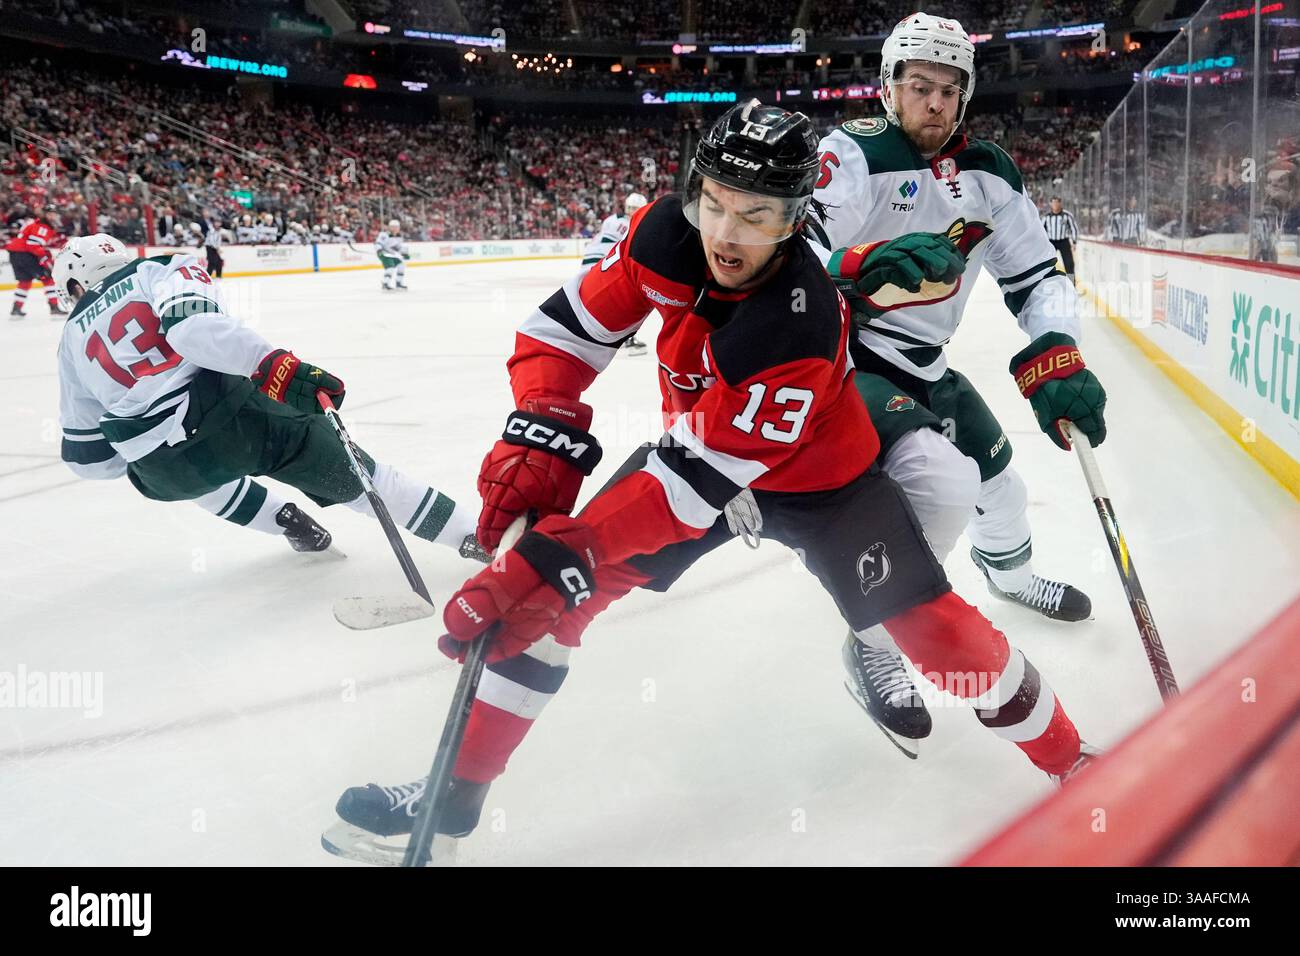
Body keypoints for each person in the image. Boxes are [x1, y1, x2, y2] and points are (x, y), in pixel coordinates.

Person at [324, 102, 1096, 866]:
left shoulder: (796, 320)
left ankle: (1073, 762)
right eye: (714, 203)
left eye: (756, 214)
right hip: (697, 451)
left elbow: (691, 484)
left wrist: (577, 547)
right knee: (543, 604)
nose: (726, 233)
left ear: (797, 219)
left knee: (935, 631)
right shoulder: (662, 232)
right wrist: (546, 418)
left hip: (819, 486)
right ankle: (452, 797)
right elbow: (564, 331)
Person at [805, 13, 1108, 750]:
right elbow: (793, 257)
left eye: (949, 89)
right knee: (933, 493)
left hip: (927, 363)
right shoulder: (852, 155)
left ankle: (1007, 577)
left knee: (998, 478)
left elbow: (1037, 274)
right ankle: (872, 644)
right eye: (919, 86)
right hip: (849, 360)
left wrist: (1057, 347)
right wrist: (854, 265)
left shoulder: (990, 172)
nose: (934, 103)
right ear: (889, 88)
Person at [52, 234, 489, 569]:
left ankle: (288, 522)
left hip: (164, 473)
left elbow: (89, 460)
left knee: (199, 474)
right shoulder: (157, 269)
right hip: (244, 421)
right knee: (363, 480)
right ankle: (472, 538)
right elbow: (193, 333)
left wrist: (152, 448)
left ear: (75, 283)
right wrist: (276, 368)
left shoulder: (69, 339)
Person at [580, 192, 650, 355]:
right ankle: (626, 340)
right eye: (633, 208)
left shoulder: (613, 220)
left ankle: (597, 337)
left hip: (596, 261)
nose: (633, 211)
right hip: (601, 262)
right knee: (627, 301)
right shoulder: (628, 224)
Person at [6, 207, 64, 318]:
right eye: (50, 214)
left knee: (25, 281)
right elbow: (33, 245)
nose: (52, 216)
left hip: (15, 253)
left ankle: (16, 309)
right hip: (25, 254)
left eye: (54, 214)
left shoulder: (35, 224)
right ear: (45, 214)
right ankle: (54, 307)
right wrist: (44, 259)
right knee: (47, 278)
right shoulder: (42, 227)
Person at [1041, 196, 1079, 281]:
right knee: (1047, 264)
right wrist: (1042, 244)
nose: (1055, 204)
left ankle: (1071, 285)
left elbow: (1074, 228)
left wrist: (1074, 242)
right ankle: (1046, 284)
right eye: (1053, 202)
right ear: (1050, 204)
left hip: (1064, 242)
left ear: (1060, 203)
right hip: (1051, 242)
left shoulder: (1067, 215)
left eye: (1057, 202)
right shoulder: (1046, 217)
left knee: (1069, 264)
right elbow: (1041, 230)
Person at [375, 219, 409, 291]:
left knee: (401, 266)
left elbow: (398, 247)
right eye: (393, 227)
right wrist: (379, 250)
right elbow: (378, 243)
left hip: (393, 255)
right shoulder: (384, 234)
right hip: (384, 254)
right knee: (390, 268)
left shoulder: (399, 236)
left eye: (396, 227)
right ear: (389, 227)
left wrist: (404, 254)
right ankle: (385, 283)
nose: (395, 228)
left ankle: (399, 283)